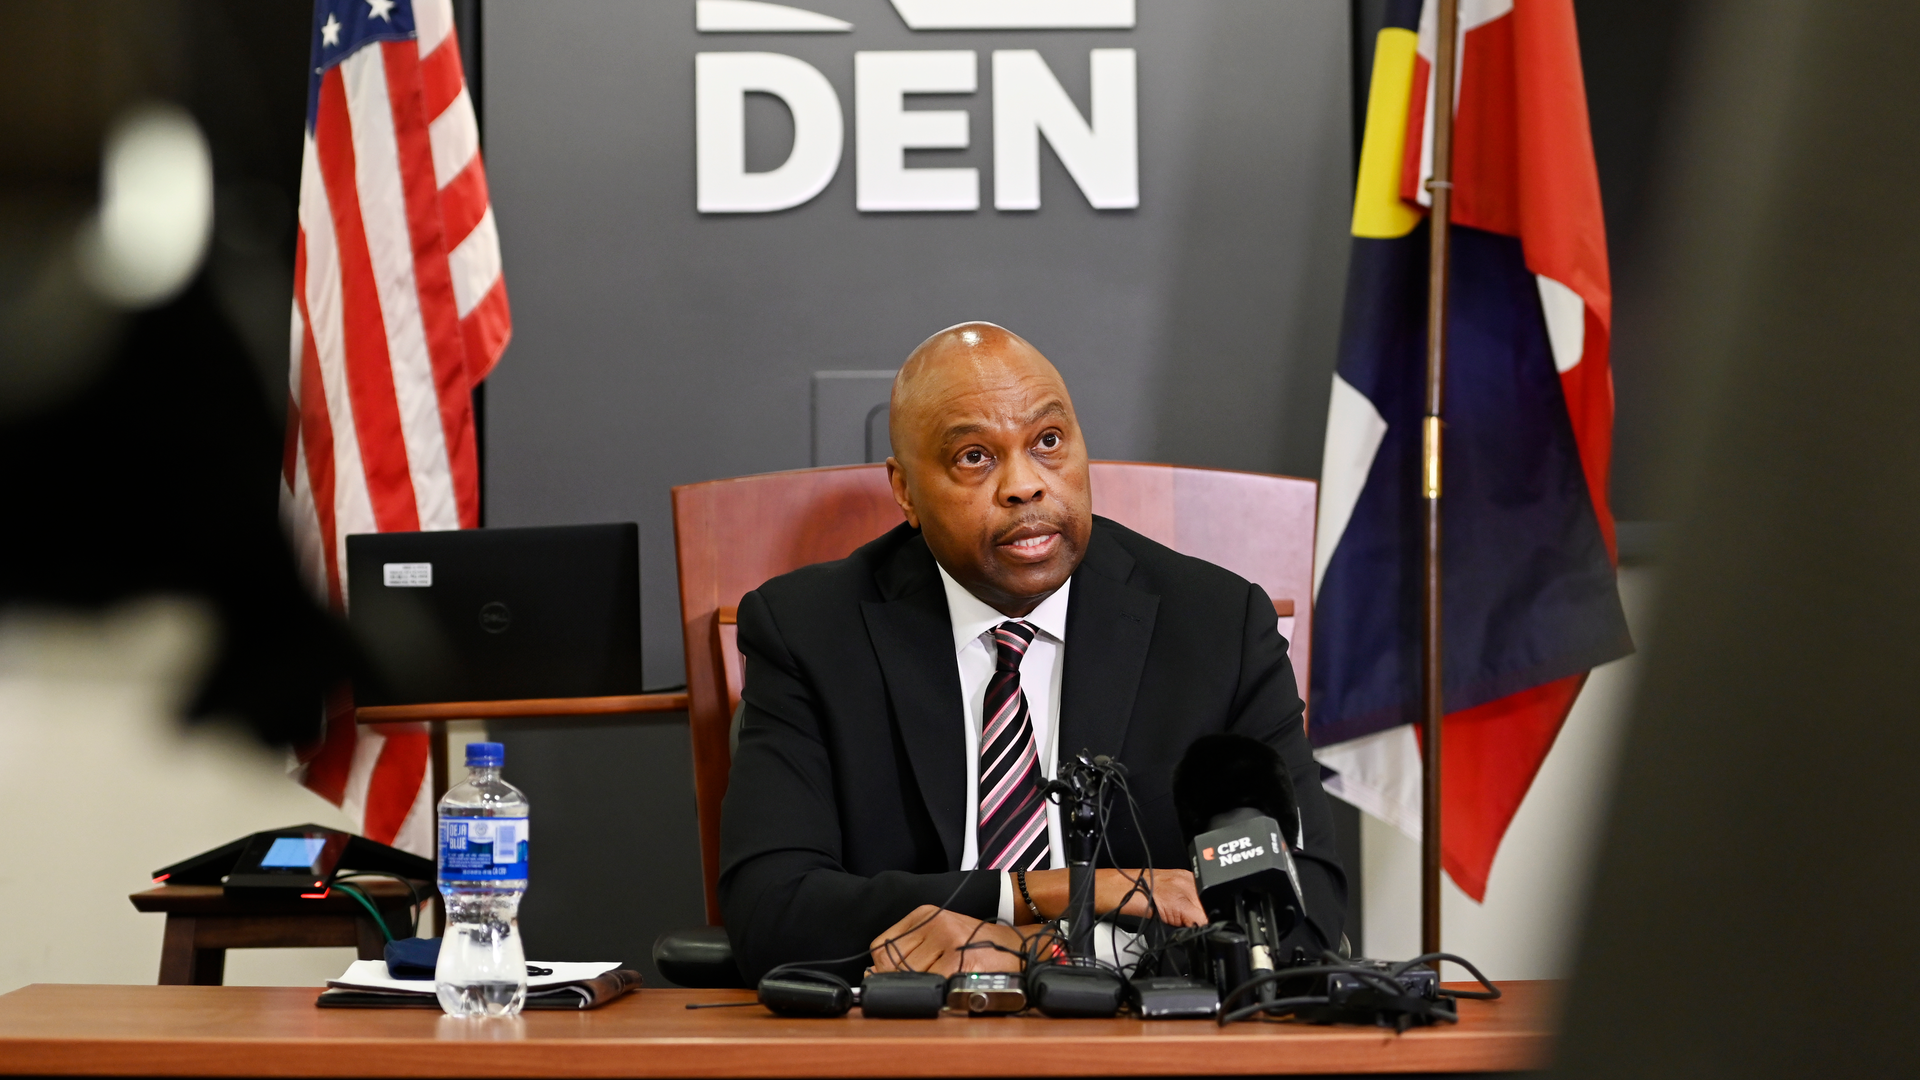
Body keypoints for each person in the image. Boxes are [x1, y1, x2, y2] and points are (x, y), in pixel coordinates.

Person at [719, 323, 1345, 981]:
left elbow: (1306, 912)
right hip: (908, 1028)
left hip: (1138, 1030)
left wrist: (1036, 953)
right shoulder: (811, 632)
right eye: (974, 457)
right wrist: (1056, 891)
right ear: (904, 491)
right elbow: (771, 910)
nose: (1024, 485)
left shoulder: (1217, 627)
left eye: (1048, 442)